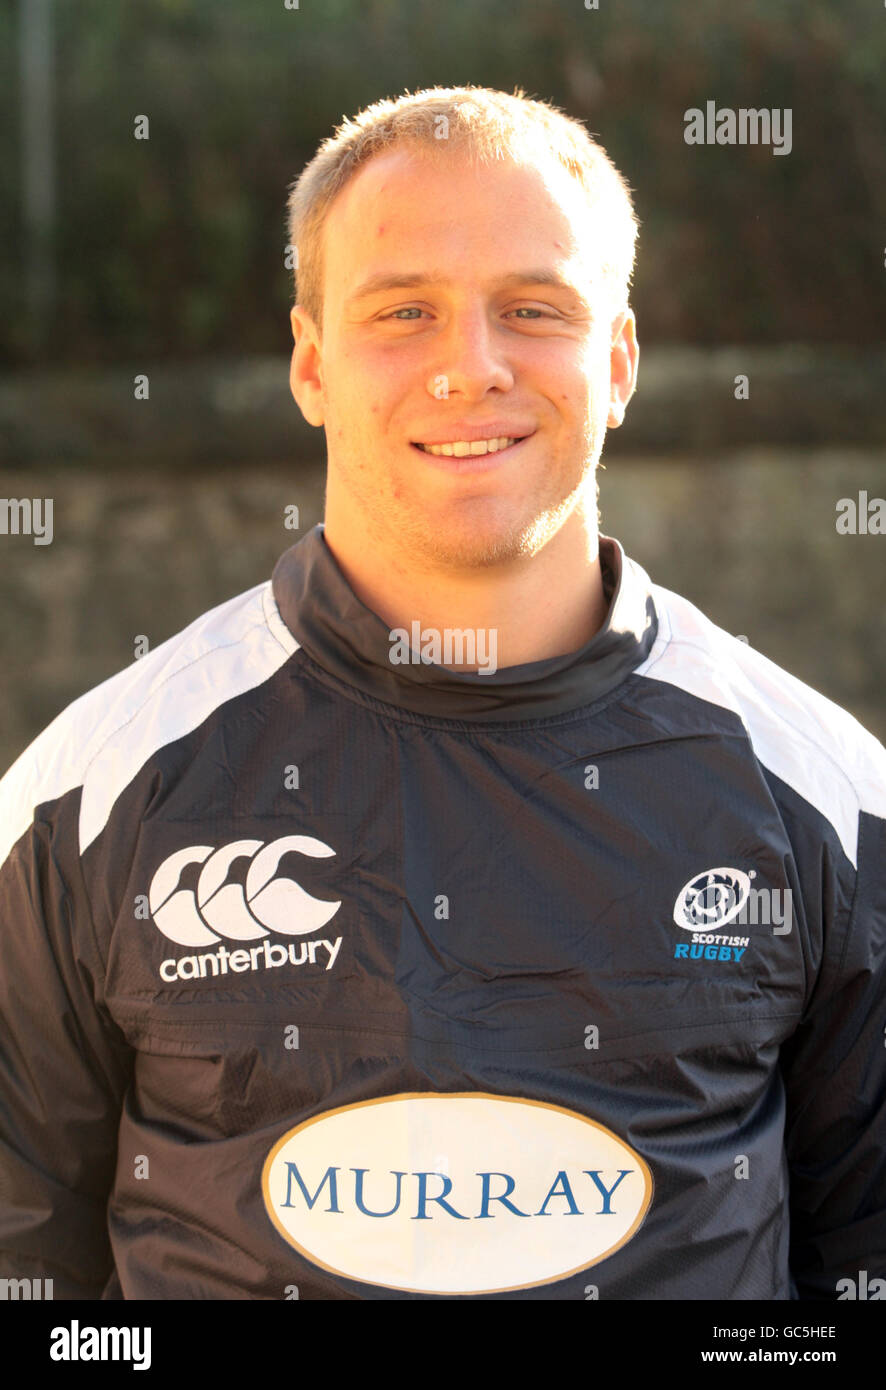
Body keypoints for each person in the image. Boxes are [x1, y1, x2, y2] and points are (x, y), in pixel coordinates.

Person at [0, 85, 883, 1302]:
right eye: (403, 311)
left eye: (532, 309)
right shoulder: (79, 799)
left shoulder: (830, 800)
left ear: (616, 361)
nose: (470, 369)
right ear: (310, 363)